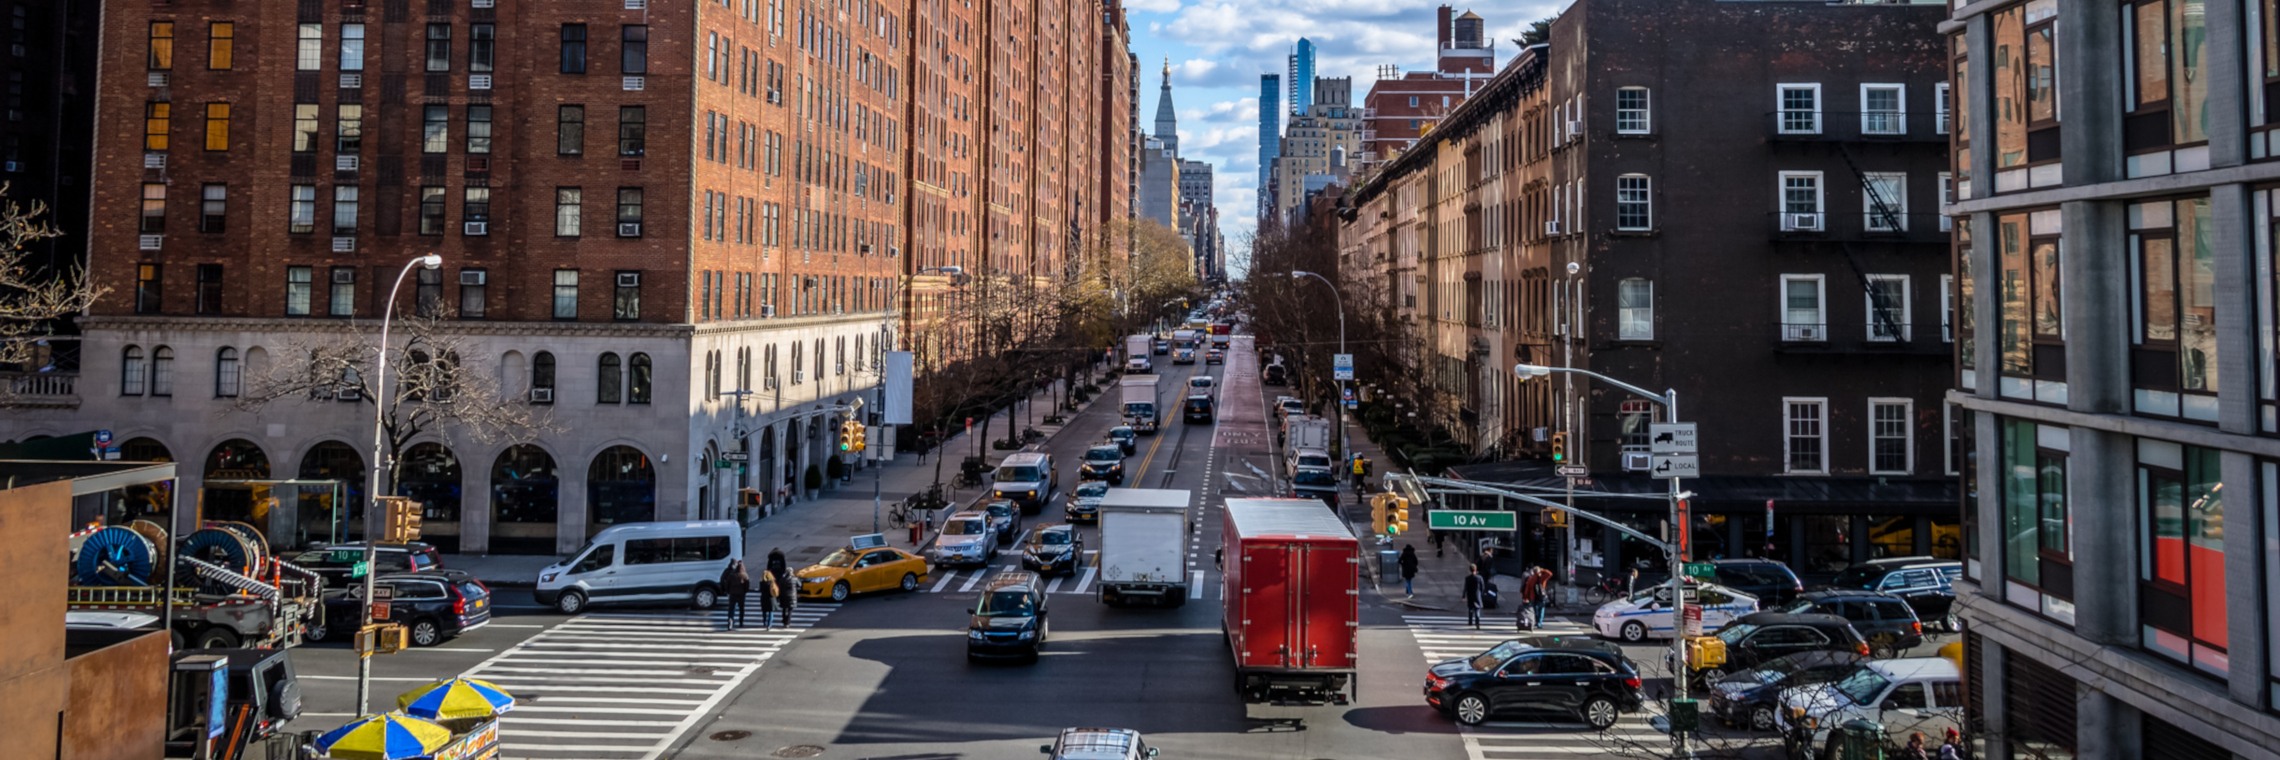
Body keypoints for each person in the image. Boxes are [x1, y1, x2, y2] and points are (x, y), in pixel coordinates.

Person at [720, 560, 752, 628]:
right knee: (741, 609)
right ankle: (741, 622)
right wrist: (745, 591)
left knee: (731, 608)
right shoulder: (745, 575)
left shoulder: (731, 575)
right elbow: (747, 586)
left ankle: (730, 621)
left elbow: (727, 584)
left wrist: (728, 591)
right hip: (741, 594)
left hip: (732, 594)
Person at [1461, 564, 1485, 629]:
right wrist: (1481, 594)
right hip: (1477, 595)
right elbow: (1482, 587)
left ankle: (1470, 621)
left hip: (1470, 595)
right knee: (1477, 610)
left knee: (1470, 609)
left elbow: (1465, 588)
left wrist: (1463, 596)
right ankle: (1477, 623)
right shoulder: (1479, 578)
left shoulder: (1467, 578)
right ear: (1476, 569)